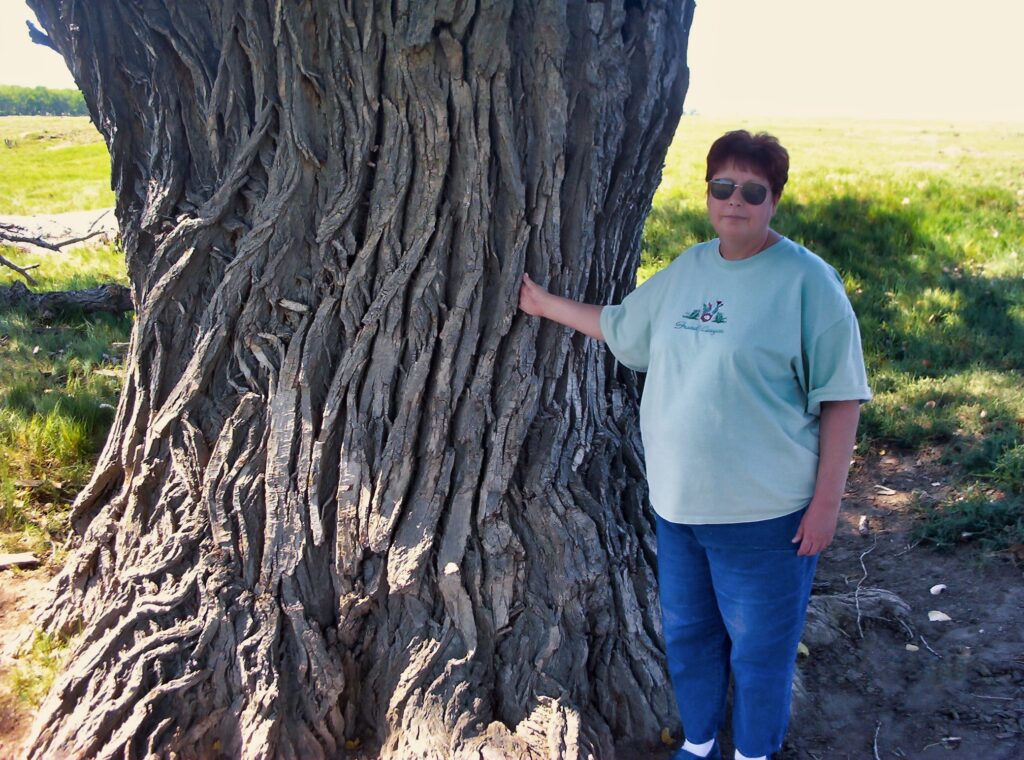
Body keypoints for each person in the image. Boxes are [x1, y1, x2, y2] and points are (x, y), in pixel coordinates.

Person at [518, 130, 871, 760]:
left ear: (775, 200)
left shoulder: (808, 284)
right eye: (723, 186)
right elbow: (621, 326)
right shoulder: (688, 270)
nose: (736, 200)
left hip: (768, 517)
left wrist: (826, 506)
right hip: (679, 509)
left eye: (753, 190)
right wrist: (542, 304)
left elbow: (842, 399)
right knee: (689, 637)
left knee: (760, 652)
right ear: (709, 193)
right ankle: (702, 743)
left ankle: (754, 753)